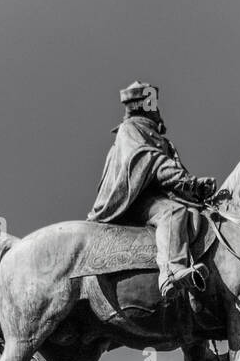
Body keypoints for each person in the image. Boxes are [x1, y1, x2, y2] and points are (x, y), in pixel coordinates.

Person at [88, 81, 217, 300]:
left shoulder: (157, 137)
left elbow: (171, 173)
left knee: (196, 215)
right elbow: (150, 161)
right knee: (173, 212)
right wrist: (188, 182)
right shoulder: (131, 130)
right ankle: (171, 273)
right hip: (135, 200)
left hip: (157, 198)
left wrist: (196, 189)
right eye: (152, 103)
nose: (157, 109)